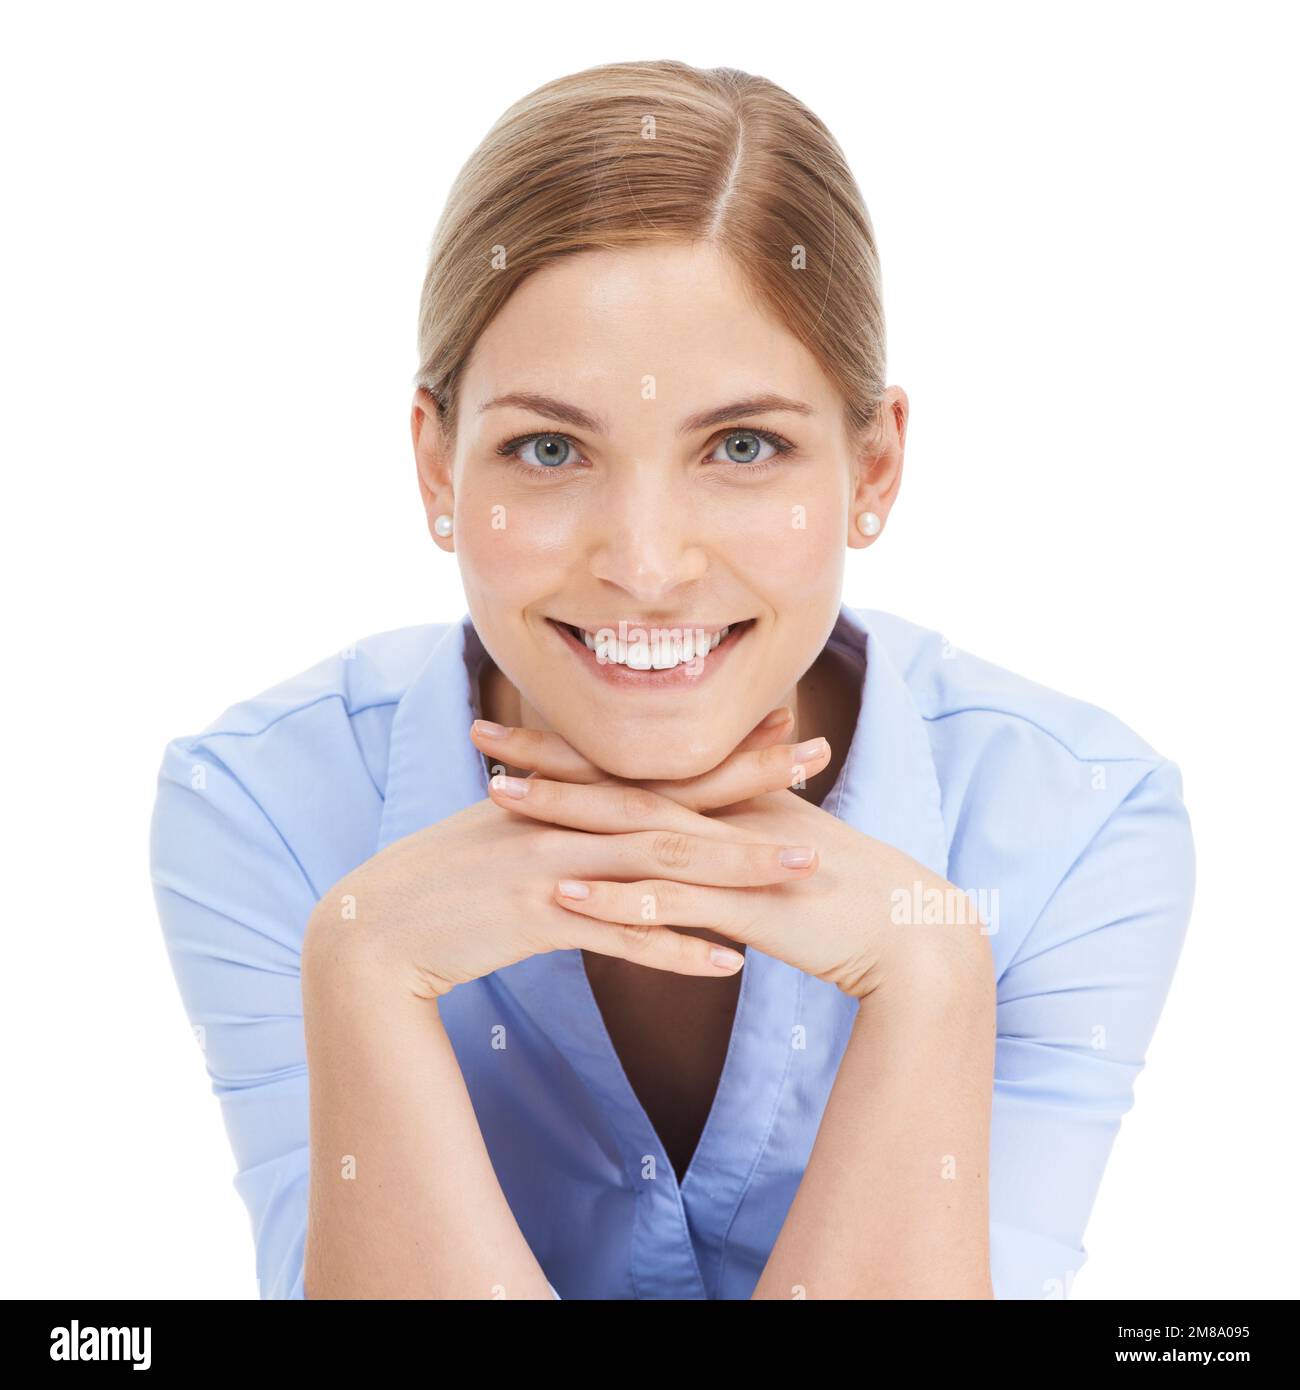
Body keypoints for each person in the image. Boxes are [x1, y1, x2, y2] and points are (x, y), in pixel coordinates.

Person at [149, 59, 1195, 1300]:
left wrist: (931, 976)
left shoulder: (1078, 827)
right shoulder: (262, 806)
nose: (646, 565)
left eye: (743, 446)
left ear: (873, 467)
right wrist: (364, 970)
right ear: (436, 468)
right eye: (548, 448)